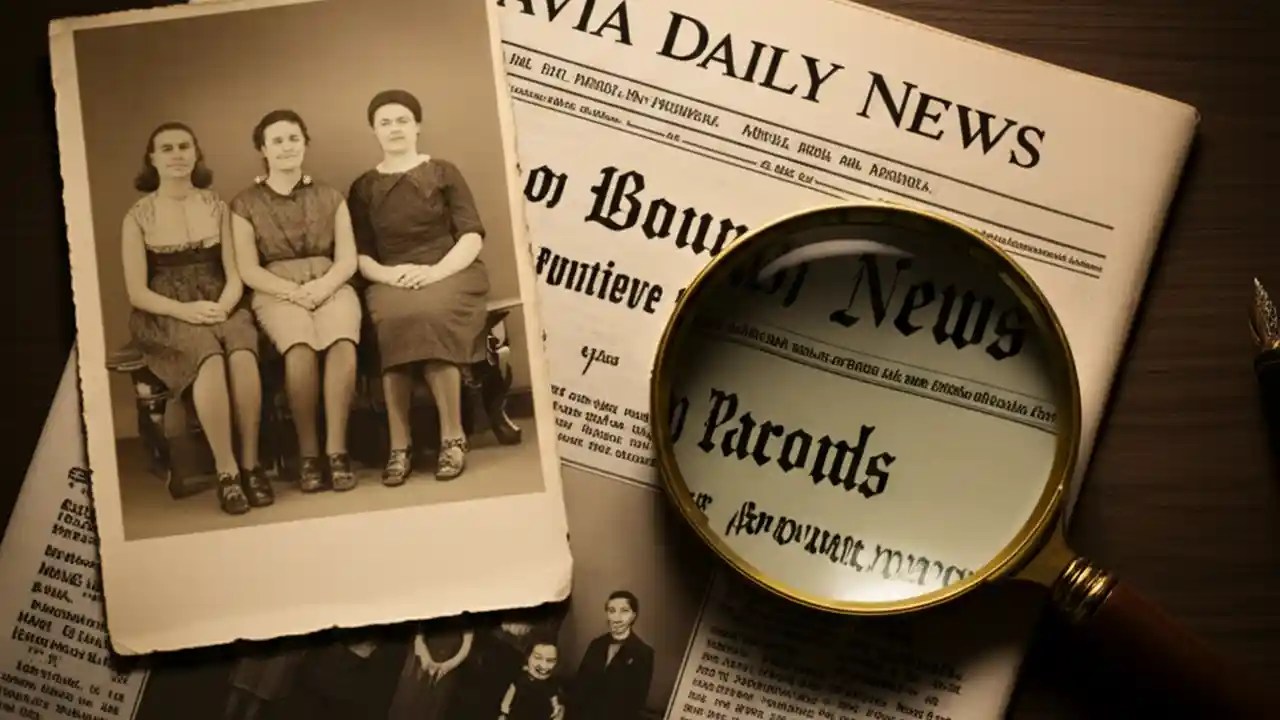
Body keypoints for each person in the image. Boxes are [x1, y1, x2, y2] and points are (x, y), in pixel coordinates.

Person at [347, 89, 491, 485]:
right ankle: (400, 445)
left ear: (417, 126)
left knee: (428, 313)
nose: (394, 129)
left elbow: (471, 235)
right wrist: (390, 275)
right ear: (373, 131)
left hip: (452, 272)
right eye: (385, 122)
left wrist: (436, 272)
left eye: (402, 120)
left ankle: (453, 438)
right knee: (394, 319)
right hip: (391, 276)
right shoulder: (363, 187)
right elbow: (359, 253)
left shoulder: (444, 171)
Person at [121, 121, 266, 515]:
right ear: (152, 159)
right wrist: (186, 310)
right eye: (166, 148)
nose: (177, 155)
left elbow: (235, 273)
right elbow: (137, 292)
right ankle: (227, 471)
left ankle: (252, 466)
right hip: (167, 311)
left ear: (196, 154)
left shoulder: (216, 206)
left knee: (241, 351)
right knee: (208, 356)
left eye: (184, 146)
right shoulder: (138, 216)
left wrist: (223, 304)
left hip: (220, 299)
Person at [230, 109, 361, 492]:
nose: (286, 147)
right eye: (277, 141)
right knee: (299, 346)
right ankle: (308, 454)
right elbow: (248, 270)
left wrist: (323, 288)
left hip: (330, 282)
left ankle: (337, 451)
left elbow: (348, 258)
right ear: (263, 150)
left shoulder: (330, 196)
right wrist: (291, 292)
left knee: (342, 342)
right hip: (274, 289)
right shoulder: (244, 204)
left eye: (293, 139)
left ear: (304, 144)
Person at [570, 591, 654, 720]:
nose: (617, 617)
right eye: (611, 610)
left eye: (624, 611)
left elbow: (635, 703)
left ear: (633, 615)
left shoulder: (643, 653)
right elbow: (580, 686)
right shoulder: (596, 644)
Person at [386, 617, 474, 720]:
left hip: (449, 658)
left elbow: (468, 640)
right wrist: (424, 656)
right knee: (408, 700)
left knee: (434, 705)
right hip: (423, 654)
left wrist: (449, 664)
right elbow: (419, 630)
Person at [499, 637, 565, 720]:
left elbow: (554, 700)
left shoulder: (552, 683)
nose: (543, 665)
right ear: (528, 658)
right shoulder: (520, 678)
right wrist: (503, 714)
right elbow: (509, 696)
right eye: (538, 657)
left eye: (550, 660)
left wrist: (556, 710)